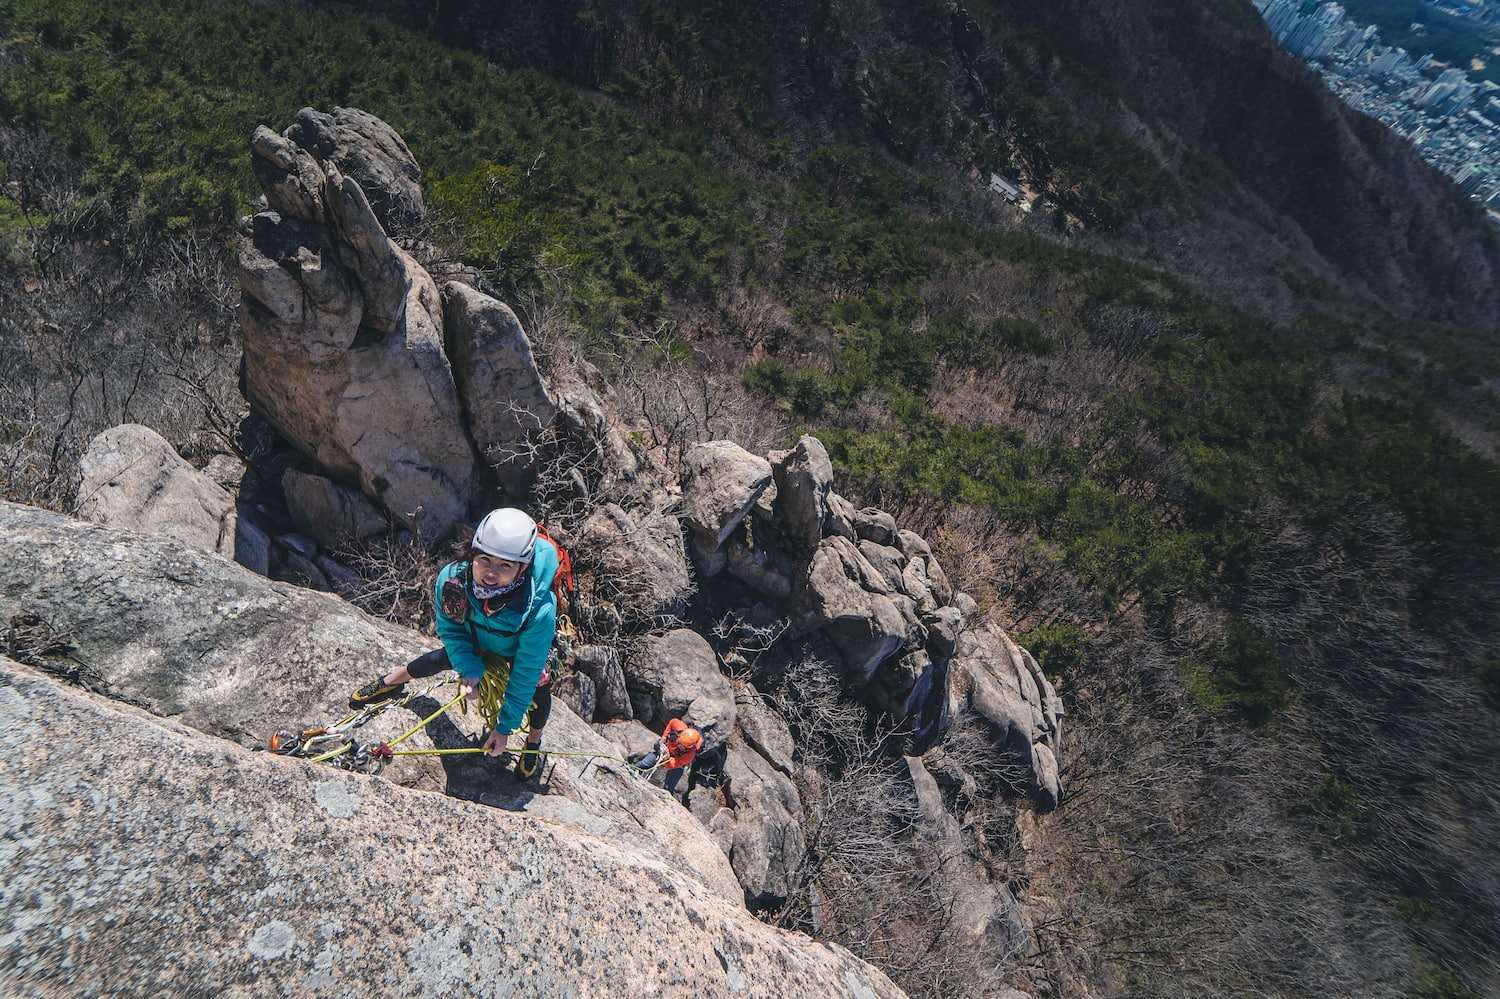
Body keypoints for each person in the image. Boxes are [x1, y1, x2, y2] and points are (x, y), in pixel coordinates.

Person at [349, 507, 559, 780]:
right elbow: (451, 631)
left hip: (516, 651)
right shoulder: (453, 582)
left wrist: (504, 728)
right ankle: (390, 682)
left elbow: (526, 670)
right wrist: (470, 669)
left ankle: (533, 742)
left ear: (523, 567)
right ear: (473, 552)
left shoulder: (538, 609)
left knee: (538, 688)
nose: (491, 572)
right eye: (485, 559)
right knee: (439, 658)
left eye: (505, 565)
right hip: (476, 640)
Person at [633, 718, 702, 795]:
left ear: (689, 747)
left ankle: (666, 795)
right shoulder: (679, 727)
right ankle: (632, 770)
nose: (678, 745)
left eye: (681, 746)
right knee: (644, 763)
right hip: (665, 750)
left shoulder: (689, 755)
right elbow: (672, 722)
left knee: (669, 787)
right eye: (679, 742)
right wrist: (663, 739)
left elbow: (671, 766)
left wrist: (666, 758)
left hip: (676, 762)